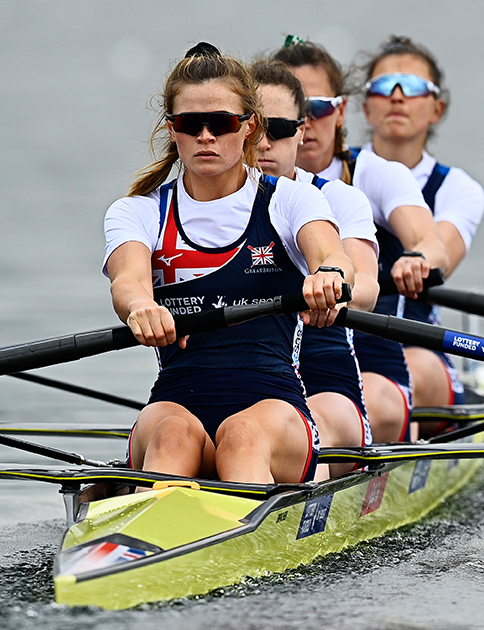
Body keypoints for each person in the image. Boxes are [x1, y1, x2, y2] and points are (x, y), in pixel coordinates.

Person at [103, 43, 353, 485]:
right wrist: (140, 307)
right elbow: (129, 281)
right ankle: (149, 544)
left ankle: (230, 541)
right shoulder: (137, 211)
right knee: (171, 438)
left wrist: (329, 277)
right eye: (189, 124)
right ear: (172, 129)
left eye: (219, 123)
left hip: (274, 407)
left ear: (249, 127)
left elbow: (333, 256)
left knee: (241, 436)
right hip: (177, 400)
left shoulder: (290, 199)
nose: (205, 136)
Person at [273, 37, 449, 444]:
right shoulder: (248, 188)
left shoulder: (372, 175)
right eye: (284, 117)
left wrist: (417, 257)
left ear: (340, 111)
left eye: (316, 110)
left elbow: (430, 240)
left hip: (372, 363)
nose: (305, 124)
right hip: (276, 367)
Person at [251, 58, 377, 477]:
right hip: (241, 386)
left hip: (326, 386)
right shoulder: (202, 206)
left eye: (280, 130)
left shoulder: (338, 199)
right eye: (254, 129)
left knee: (300, 427)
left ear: (301, 131)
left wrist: (332, 289)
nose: (265, 144)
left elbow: (367, 289)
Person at [359, 36, 484, 413]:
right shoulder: (333, 178)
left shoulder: (458, 189)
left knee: (401, 371)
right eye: (384, 86)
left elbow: (439, 255)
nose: (397, 97)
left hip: (418, 353)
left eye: (413, 87)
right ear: (366, 108)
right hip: (336, 352)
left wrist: (418, 260)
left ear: (437, 108)